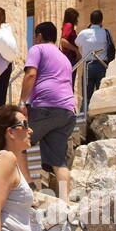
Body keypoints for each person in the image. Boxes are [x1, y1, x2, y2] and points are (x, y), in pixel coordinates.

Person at [14, 22, 77, 202]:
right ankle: (64, 200)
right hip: (67, 111)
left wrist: (22, 102)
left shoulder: (37, 49)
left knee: (18, 140)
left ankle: (28, 187)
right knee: (59, 161)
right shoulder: (64, 57)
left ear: (39, 36)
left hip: (46, 106)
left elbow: (31, 74)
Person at [74, 10, 115, 107]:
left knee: (87, 96)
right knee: (103, 94)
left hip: (88, 65)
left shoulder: (84, 33)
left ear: (90, 20)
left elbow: (77, 43)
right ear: (101, 21)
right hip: (102, 65)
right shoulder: (106, 32)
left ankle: (85, 118)